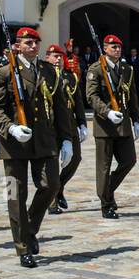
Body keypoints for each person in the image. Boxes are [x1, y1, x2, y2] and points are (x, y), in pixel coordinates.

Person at [0, 26, 74, 268]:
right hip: (14, 143)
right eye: (28, 42)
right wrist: (10, 128)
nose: (33, 46)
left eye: (36, 42)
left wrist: (66, 138)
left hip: (44, 140)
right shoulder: (4, 72)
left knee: (51, 185)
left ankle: (30, 228)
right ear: (17, 45)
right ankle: (22, 247)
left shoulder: (49, 71)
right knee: (15, 195)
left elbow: (60, 107)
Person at [87, 33, 139, 218]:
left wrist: (137, 120)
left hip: (123, 125)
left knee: (129, 161)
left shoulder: (127, 69)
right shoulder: (96, 69)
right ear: (105, 48)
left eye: (118, 46)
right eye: (112, 46)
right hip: (104, 126)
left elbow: (132, 96)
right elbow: (91, 96)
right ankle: (106, 204)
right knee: (104, 167)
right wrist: (107, 112)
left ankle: (106, 190)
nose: (116, 49)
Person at [45, 44, 88, 214]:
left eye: (60, 57)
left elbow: (78, 102)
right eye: (54, 56)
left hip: (69, 124)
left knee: (75, 159)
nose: (57, 60)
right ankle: (52, 202)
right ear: (47, 57)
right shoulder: (42, 75)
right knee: (52, 165)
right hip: (50, 126)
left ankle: (59, 187)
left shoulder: (70, 78)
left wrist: (82, 123)